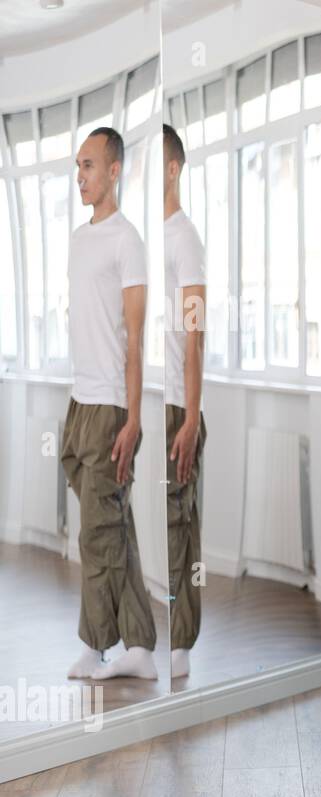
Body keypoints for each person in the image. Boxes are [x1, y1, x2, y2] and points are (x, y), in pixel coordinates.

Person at [62, 127, 158, 681]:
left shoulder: (128, 240)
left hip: (110, 407)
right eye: (78, 166)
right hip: (80, 399)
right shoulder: (79, 238)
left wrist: (133, 418)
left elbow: (134, 338)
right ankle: (141, 647)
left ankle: (98, 646)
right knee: (110, 520)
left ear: (115, 170)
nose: (82, 176)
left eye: (91, 166)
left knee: (98, 530)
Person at [162, 123, 207, 681]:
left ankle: (181, 643)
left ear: (172, 170)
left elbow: (195, 333)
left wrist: (192, 416)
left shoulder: (183, 238)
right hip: (149, 404)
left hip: (178, 405)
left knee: (179, 523)